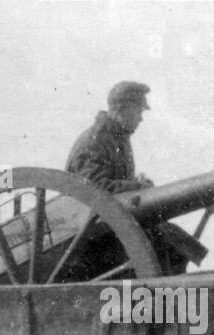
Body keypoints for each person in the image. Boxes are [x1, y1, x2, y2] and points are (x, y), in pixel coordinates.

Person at [65, 82, 203, 273]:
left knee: (173, 242)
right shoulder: (95, 139)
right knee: (160, 241)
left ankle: (170, 292)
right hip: (92, 232)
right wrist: (137, 186)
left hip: (112, 222)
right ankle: (165, 294)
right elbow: (92, 188)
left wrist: (136, 184)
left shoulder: (115, 138)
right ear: (124, 109)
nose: (141, 119)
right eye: (139, 111)